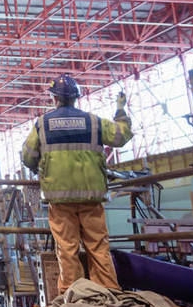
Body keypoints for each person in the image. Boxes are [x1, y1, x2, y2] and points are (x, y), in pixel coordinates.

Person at [21, 74, 132, 295]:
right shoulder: (93, 121)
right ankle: (108, 291)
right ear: (76, 98)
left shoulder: (43, 124)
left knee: (67, 248)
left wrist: (38, 167)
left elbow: (27, 155)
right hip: (91, 197)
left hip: (60, 199)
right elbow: (122, 136)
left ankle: (73, 294)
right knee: (98, 246)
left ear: (54, 98)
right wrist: (120, 109)